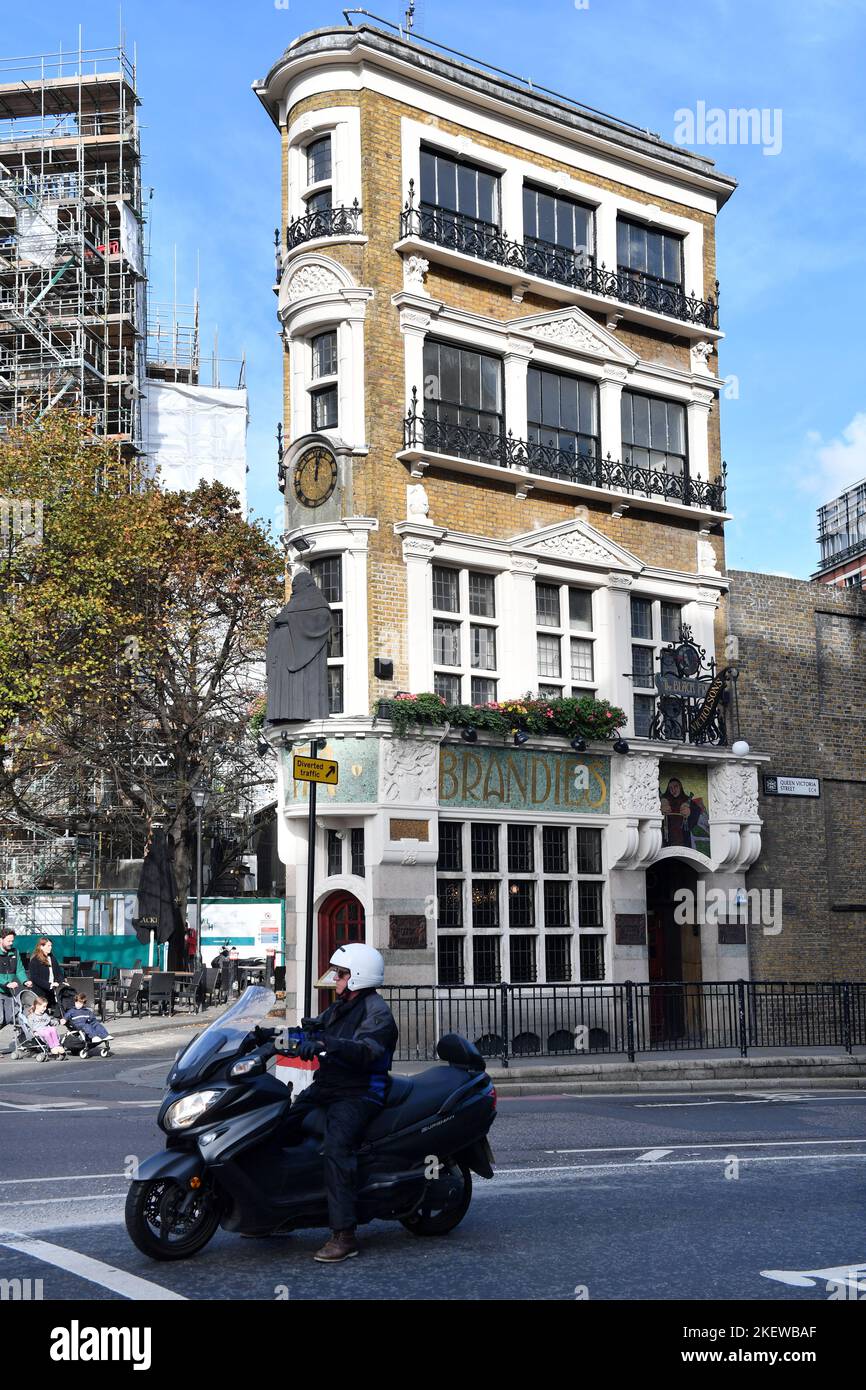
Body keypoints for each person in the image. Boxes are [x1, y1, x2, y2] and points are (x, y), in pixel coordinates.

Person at [283, 942, 398, 1264]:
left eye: (341, 974)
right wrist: (269, 1036)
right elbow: (315, 1028)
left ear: (358, 976)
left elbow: (367, 1051)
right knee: (281, 1124)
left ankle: (344, 1234)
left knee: (337, 1149)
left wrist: (325, 1043)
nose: (335, 979)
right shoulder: (340, 1006)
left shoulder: (377, 1012)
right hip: (329, 1086)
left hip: (360, 1091)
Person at [0, 929, 30, 1037]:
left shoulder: (15, 952)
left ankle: (25, 1041)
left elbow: (20, 969)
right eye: (8, 941)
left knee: (10, 1018)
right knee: (0, 1018)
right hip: (2, 988)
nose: (11, 943)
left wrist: (25, 981)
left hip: (8, 992)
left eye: (12, 941)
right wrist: (6, 983)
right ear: (1, 940)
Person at [26, 938, 68, 1010]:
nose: (50, 947)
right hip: (40, 992)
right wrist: (49, 985)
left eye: (51, 945)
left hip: (51, 991)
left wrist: (62, 982)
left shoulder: (52, 958)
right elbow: (34, 977)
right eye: (48, 946)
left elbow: (58, 972)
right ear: (41, 946)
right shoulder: (35, 960)